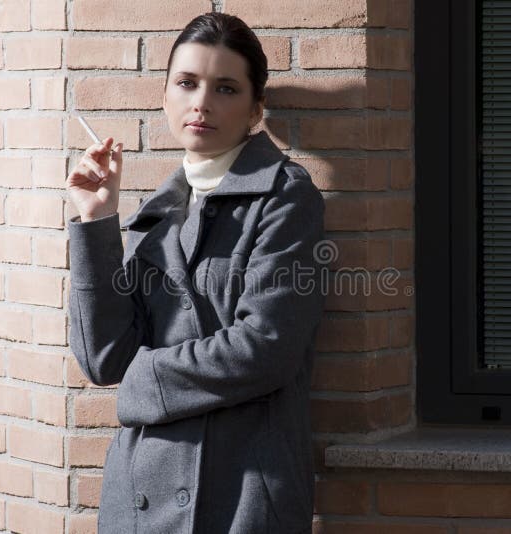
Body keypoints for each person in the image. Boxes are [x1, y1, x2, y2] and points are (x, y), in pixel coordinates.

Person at [65, 12, 326, 534]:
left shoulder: (284, 197)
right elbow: (103, 357)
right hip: (142, 495)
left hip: (242, 492)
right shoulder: (155, 214)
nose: (201, 102)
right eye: (186, 83)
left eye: (225, 88)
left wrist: (146, 379)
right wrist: (96, 224)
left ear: (256, 109)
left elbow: (266, 347)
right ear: (165, 96)